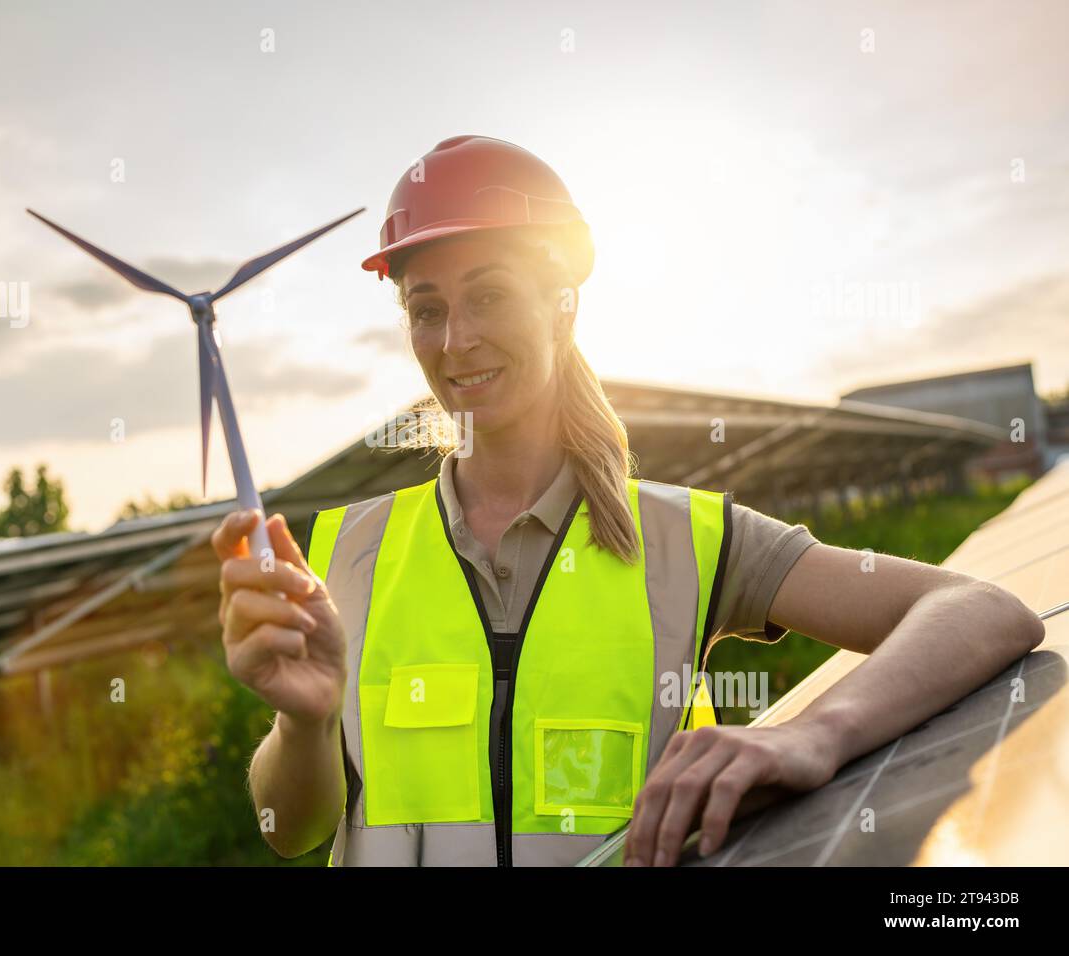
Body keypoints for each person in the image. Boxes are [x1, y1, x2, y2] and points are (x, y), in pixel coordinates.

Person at [210, 135, 1044, 867]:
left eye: (489, 295)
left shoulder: (690, 538)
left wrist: (811, 735)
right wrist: (306, 723)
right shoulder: (344, 553)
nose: (455, 340)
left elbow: (981, 612)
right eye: (426, 309)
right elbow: (292, 830)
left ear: (562, 304)